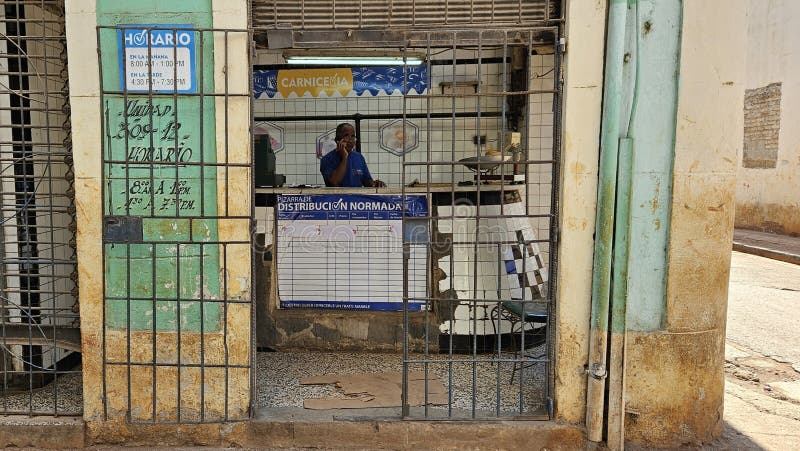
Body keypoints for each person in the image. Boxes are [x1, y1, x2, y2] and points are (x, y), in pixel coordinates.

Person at [320, 123, 385, 187]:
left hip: (357, 197)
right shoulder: (326, 159)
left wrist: (374, 184)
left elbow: (366, 181)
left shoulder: (359, 157)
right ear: (337, 140)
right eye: (346, 136)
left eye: (353, 136)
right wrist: (344, 157)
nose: (350, 140)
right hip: (338, 197)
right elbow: (334, 183)